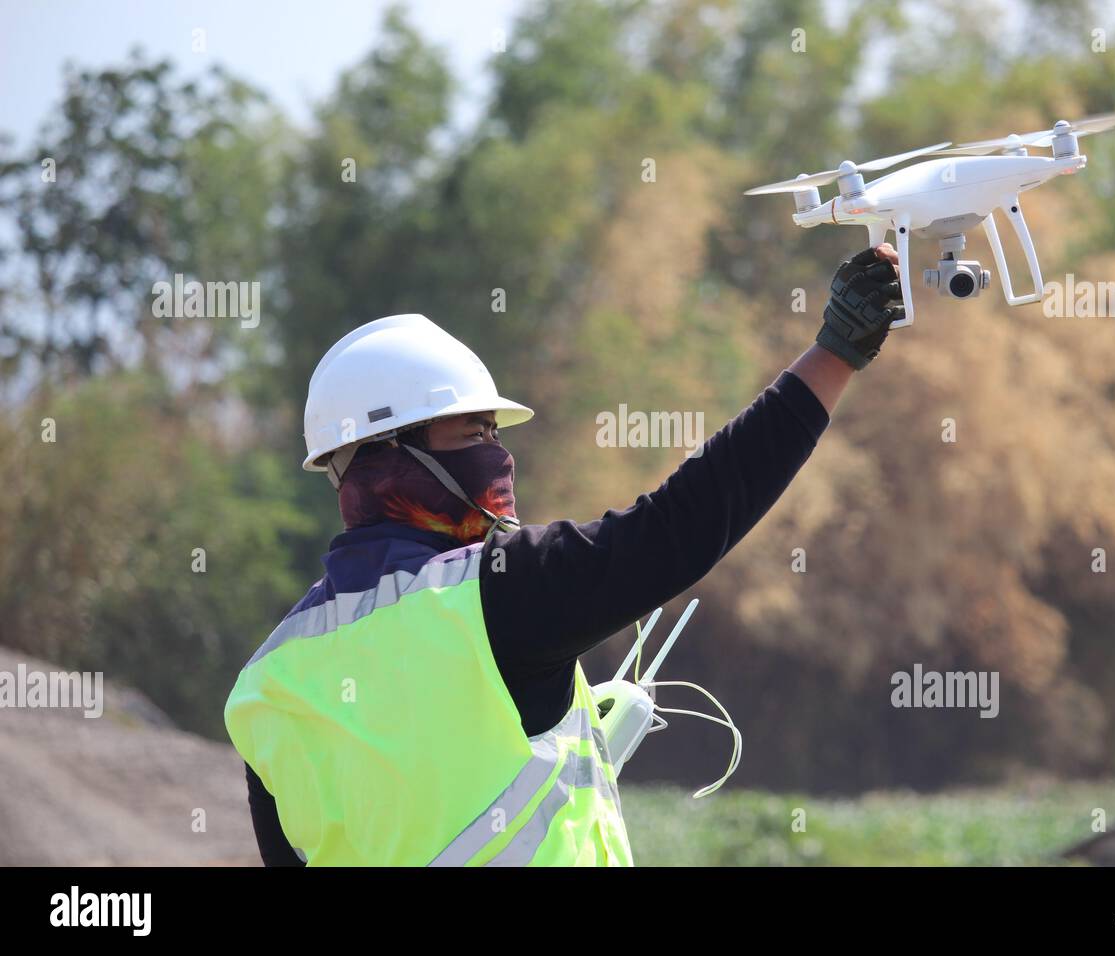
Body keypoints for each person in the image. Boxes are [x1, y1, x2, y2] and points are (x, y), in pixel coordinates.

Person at [223, 244, 905, 866]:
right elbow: (682, 524)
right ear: (389, 457)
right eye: (475, 431)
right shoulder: (494, 592)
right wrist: (836, 353)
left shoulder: (267, 685)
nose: (500, 452)